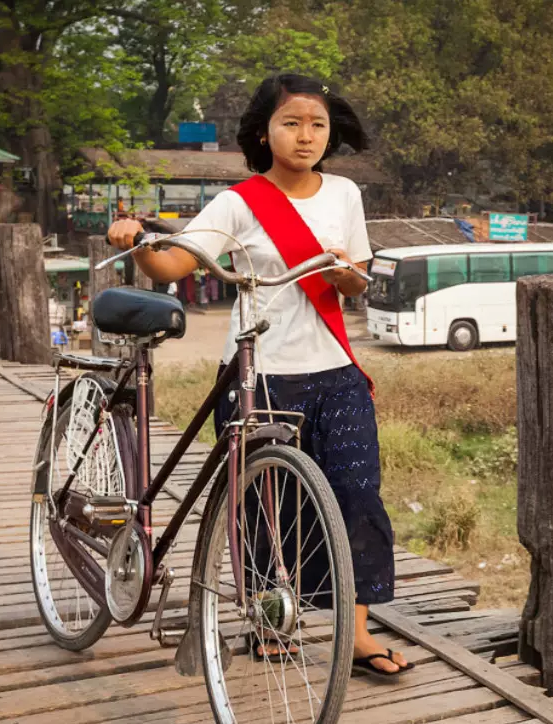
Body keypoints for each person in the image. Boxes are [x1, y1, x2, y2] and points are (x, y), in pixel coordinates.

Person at [108, 74, 412, 677]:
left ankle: (355, 632)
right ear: (264, 130)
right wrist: (138, 243)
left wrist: (347, 274)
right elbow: (173, 264)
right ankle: (274, 619)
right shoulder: (238, 202)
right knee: (269, 502)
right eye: (292, 123)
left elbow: (357, 278)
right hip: (260, 371)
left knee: (355, 496)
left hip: (334, 369)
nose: (306, 136)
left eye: (317, 124)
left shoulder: (346, 195)